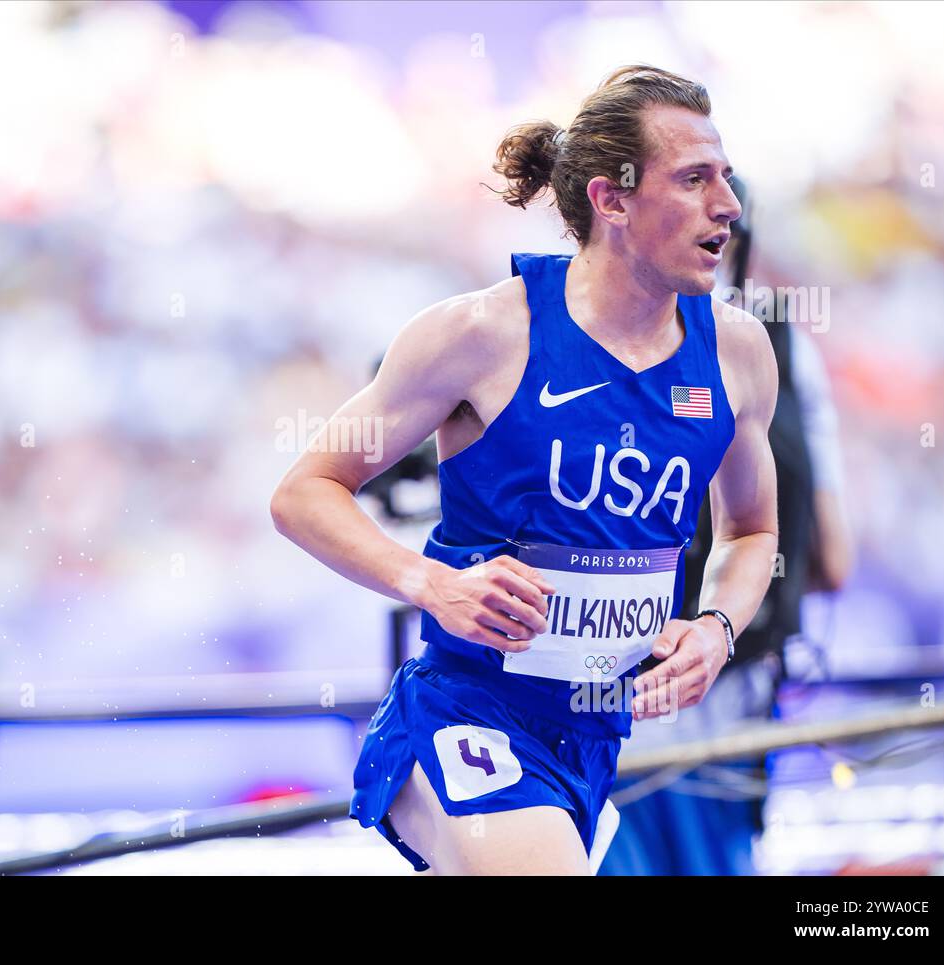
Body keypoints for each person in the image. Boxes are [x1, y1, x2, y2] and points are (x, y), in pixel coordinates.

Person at [271, 65, 779, 874]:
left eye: (726, 176)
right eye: (694, 179)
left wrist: (717, 628)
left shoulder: (739, 352)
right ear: (612, 200)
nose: (729, 204)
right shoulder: (479, 335)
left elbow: (753, 531)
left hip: (597, 735)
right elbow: (303, 492)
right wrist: (429, 581)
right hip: (468, 712)